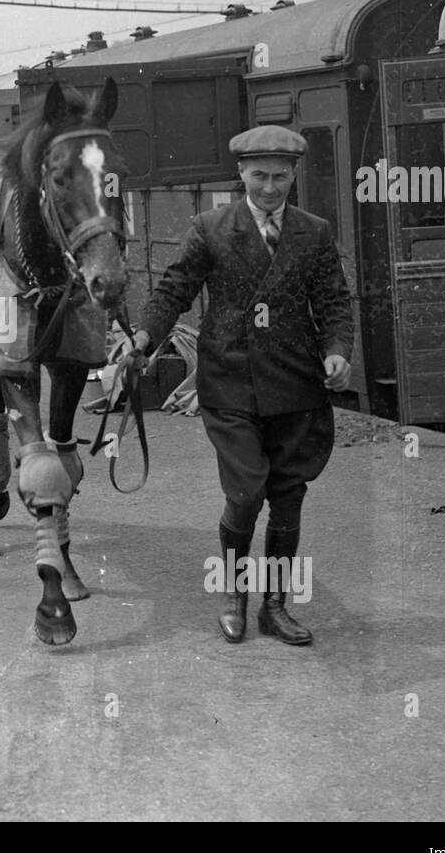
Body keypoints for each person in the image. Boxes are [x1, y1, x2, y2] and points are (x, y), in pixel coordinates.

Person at [125, 125, 353, 646]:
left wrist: (338, 353)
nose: (270, 187)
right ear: (241, 175)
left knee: (289, 496)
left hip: (297, 385)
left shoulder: (314, 232)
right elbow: (174, 290)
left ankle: (275, 606)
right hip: (231, 383)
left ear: (293, 175)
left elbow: (335, 302)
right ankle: (233, 592)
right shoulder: (210, 228)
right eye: (259, 176)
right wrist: (143, 336)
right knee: (247, 490)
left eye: (280, 177)